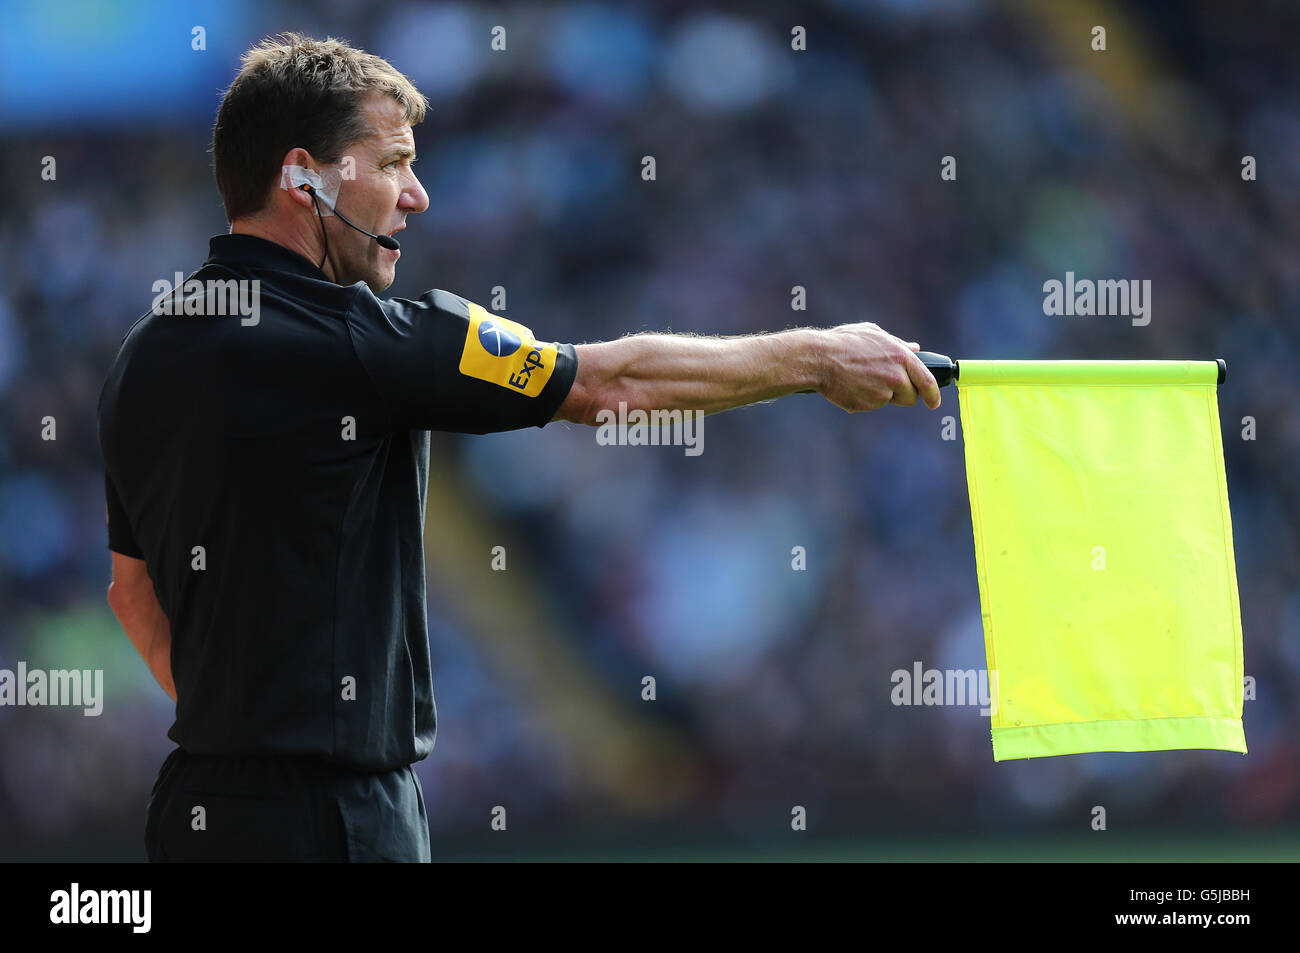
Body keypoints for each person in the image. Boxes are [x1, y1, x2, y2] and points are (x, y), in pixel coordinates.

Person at [97, 33, 941, 863]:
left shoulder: (141, 355)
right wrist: (817, 356)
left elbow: (132, 596)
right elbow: (608, 386)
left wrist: (242, 739)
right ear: (301, 174)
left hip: (197, 810)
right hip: (335, 818)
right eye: (390, 163)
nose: (415, 195)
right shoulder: (362, 341)